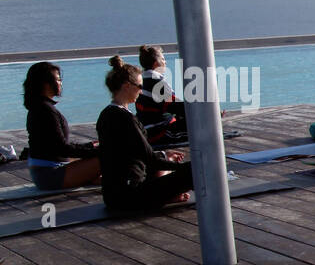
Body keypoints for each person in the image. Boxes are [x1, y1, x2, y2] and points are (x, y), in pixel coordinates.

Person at [96, 56, 194, 212]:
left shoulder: (105, 114)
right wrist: (184, 167)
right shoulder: (125, 118)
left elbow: (133, 153)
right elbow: (149, 160)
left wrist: (163, 154)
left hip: (112, 197)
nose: (141, 91)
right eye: (140, 86)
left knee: (167, 163)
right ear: (127, 86)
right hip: (130, 197)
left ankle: (170, 195)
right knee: (196, 170)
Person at [23, 61, 100, 190]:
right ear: (45, 84)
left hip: (46, 172)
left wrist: (91, 146)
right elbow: (62, 149)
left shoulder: (41, 107)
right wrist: (97, 151)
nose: (61, 83)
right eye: (58, 80)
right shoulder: (44, 110)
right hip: (49, 175)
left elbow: (58, 144)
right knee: (111, 155)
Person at [136, 45, 187, 143]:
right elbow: (177, 107)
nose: (165, 62)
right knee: (199, 129)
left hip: (146, 129)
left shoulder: (143, 79)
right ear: (156, 64)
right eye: (163, 59)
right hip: (158, 132)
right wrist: (205, 113)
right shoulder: (156, 82)